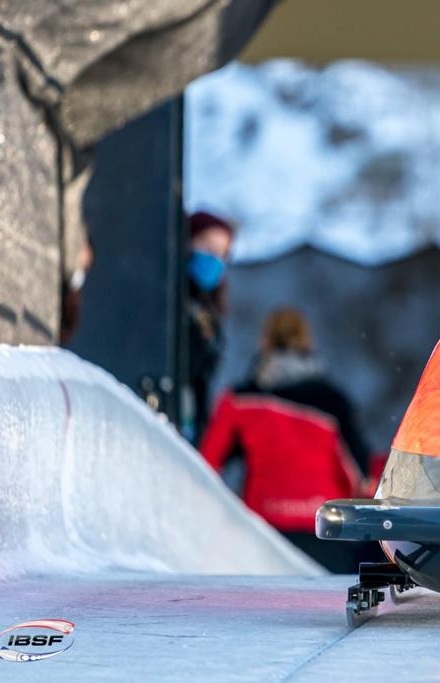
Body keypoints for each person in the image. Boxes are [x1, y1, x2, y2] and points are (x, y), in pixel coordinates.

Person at [198, 308, 380, 573]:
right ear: (308, 343)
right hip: (325, 529)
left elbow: (205, 467)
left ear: (264, 343)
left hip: (263, 532)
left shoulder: (239, 400)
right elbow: (360, 479)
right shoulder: (332, 401)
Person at [184, 210, 234, 444]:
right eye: (207, 246)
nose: (214, 259)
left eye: (222, 253)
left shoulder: (210, 313)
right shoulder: (174, 302)